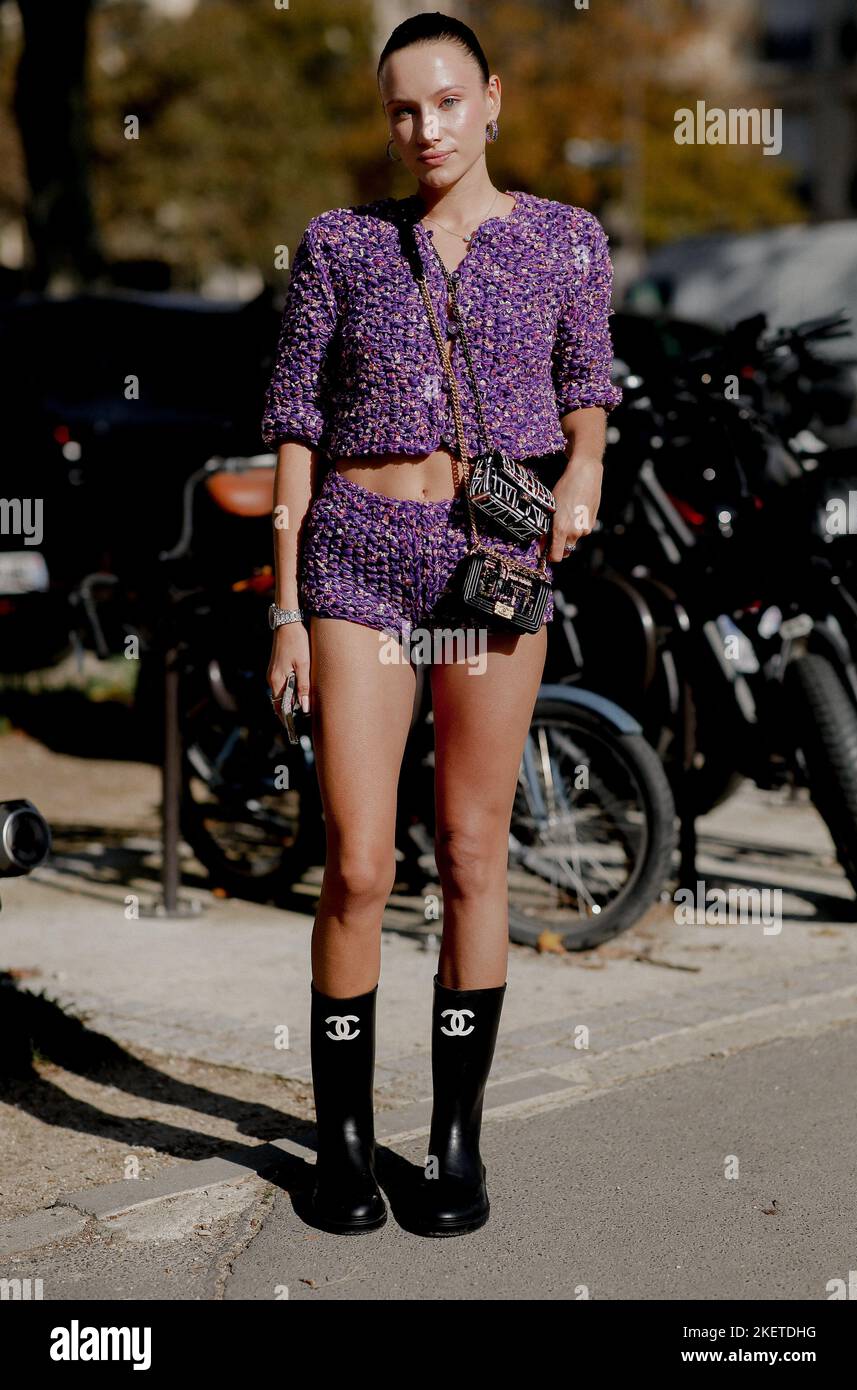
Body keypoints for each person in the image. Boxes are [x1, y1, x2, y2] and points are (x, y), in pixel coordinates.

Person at [262, 10, 621, 1238]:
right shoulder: (340, 246)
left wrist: (581, 476)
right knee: (360, 862)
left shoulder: (566, 241)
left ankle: (456, 1141)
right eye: (402, 108)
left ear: (493, 101)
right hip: (356, 560)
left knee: (471, 852)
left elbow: (589, 388)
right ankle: (344, 1143)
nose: (425, 127)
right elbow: (296, 419)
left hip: (490, 567)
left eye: (447, 101)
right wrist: (287, 608)